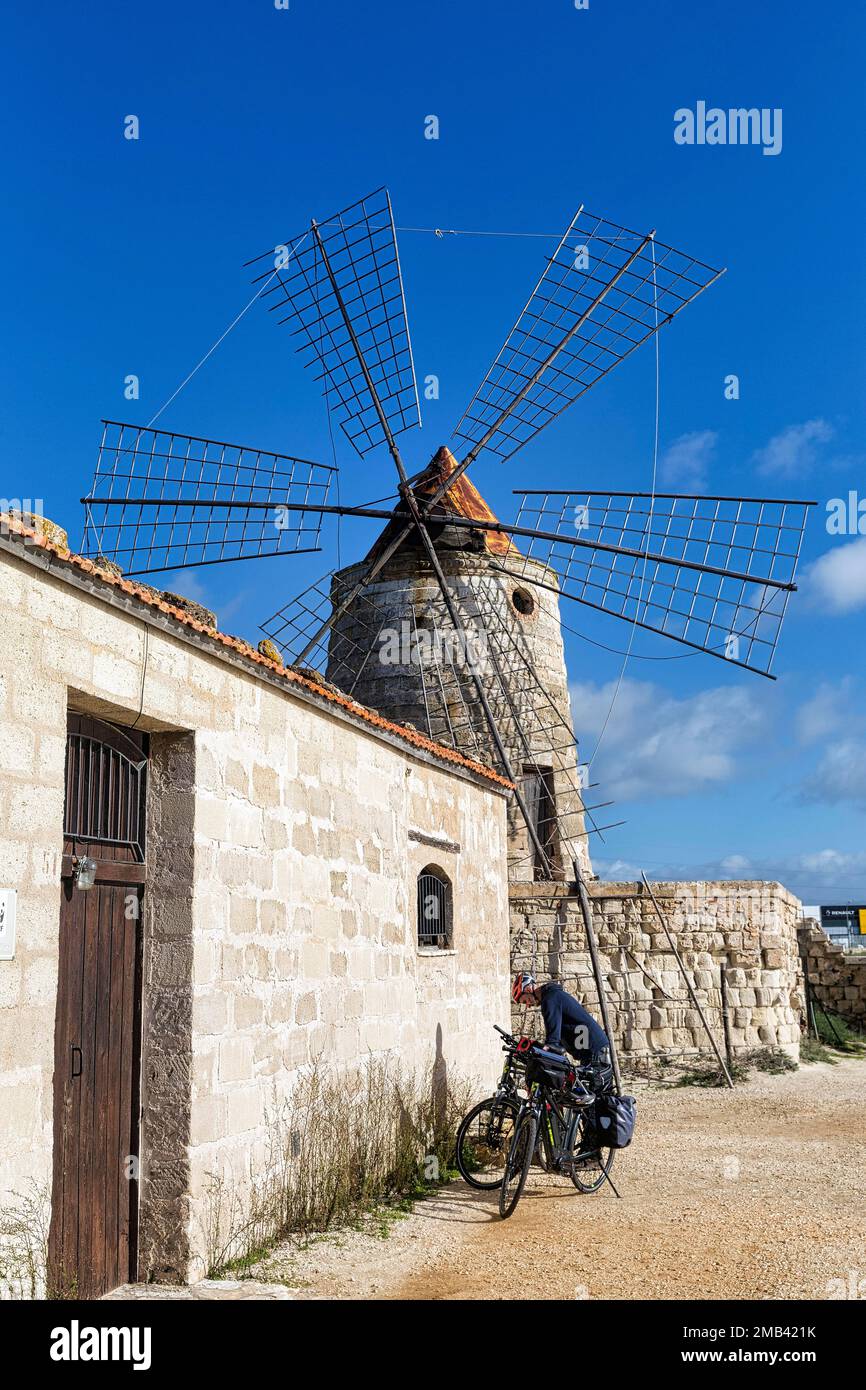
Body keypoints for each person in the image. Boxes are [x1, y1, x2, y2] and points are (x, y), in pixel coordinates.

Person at [511, 972, 610, 1066]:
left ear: (528, 989)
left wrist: (540, 1051)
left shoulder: (550, 1000)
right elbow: (557, 1038)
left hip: (594, 1051)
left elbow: (553, 1040)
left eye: (525, 1001)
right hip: (591, 1051)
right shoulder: (552, 997)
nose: (528, 1006)